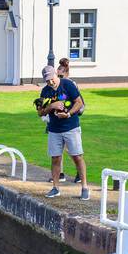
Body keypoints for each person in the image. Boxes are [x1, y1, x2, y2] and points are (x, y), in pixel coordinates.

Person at [39, 65, 88, 200]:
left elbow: (79, 103)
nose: (50, 82)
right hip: (54, 129)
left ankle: (84, 187)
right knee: (55, 158)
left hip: (71, 127)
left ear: (56, 74)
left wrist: (68, 114)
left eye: (51, 79)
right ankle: (55, 188)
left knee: (77, 157)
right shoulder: (45, 92)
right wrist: (51, 106)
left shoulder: (68, 85)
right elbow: (40, 112)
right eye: (47, 80)